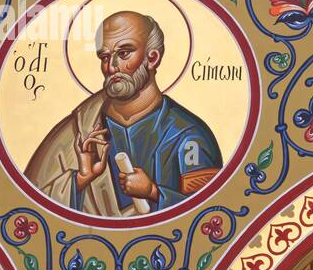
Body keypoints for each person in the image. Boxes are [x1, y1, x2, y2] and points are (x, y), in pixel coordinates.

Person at [24, 11, 222, 216]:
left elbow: (211, 212)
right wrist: (80, 180)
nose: (111, 67)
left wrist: (153, 192)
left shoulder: (190, 135)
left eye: (124, 53)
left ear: (152, 58)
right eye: (104, 57)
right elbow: (29, 208)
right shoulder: (77, 131)